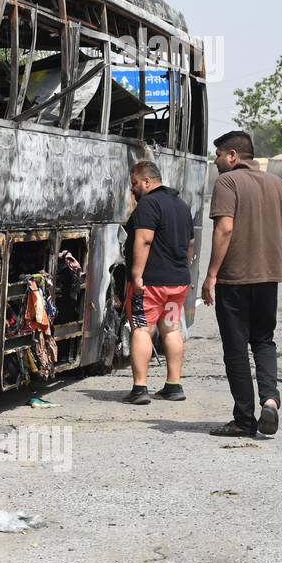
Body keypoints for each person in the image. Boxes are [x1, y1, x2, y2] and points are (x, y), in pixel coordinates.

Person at [201, 131, 282, 437]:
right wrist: (277, 254)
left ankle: (244, 419)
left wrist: (210, 275)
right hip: (268, 278)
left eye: (219, 155)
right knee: (263, 341)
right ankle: (271, 400)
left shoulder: (227, 182)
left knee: (236, 348)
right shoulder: (278, 184)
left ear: (233, 156)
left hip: (234, 279)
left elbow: (224, 229)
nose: (216, 161)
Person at [122, 160, 195, 405]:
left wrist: (136, 275)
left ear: (146, 180)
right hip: (177, 284)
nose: (132, 189)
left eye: (134, 183)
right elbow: (191, 245)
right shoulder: (182, 206)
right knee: (171, 329)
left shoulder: (148, 205)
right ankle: (174, 385)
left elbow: (144, 241)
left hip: (150, 284)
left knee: (142, 329)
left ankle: (140, 389)